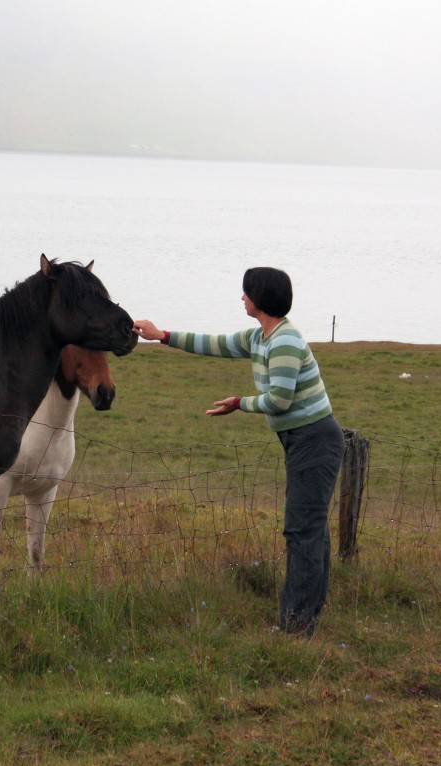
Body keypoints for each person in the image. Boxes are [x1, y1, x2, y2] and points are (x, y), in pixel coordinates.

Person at [133, 266, 345, 637]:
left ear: (260, 298)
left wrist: (239, 403)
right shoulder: (260, 337)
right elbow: (213, 344)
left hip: (314, 440)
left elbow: (279, 400)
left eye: (246, 292)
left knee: (301, 532)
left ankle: (295, 627)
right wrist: (161, 335)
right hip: (302, 441)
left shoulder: (284, 341)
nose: (242, 298)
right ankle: (303, 621)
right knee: (310, 531)